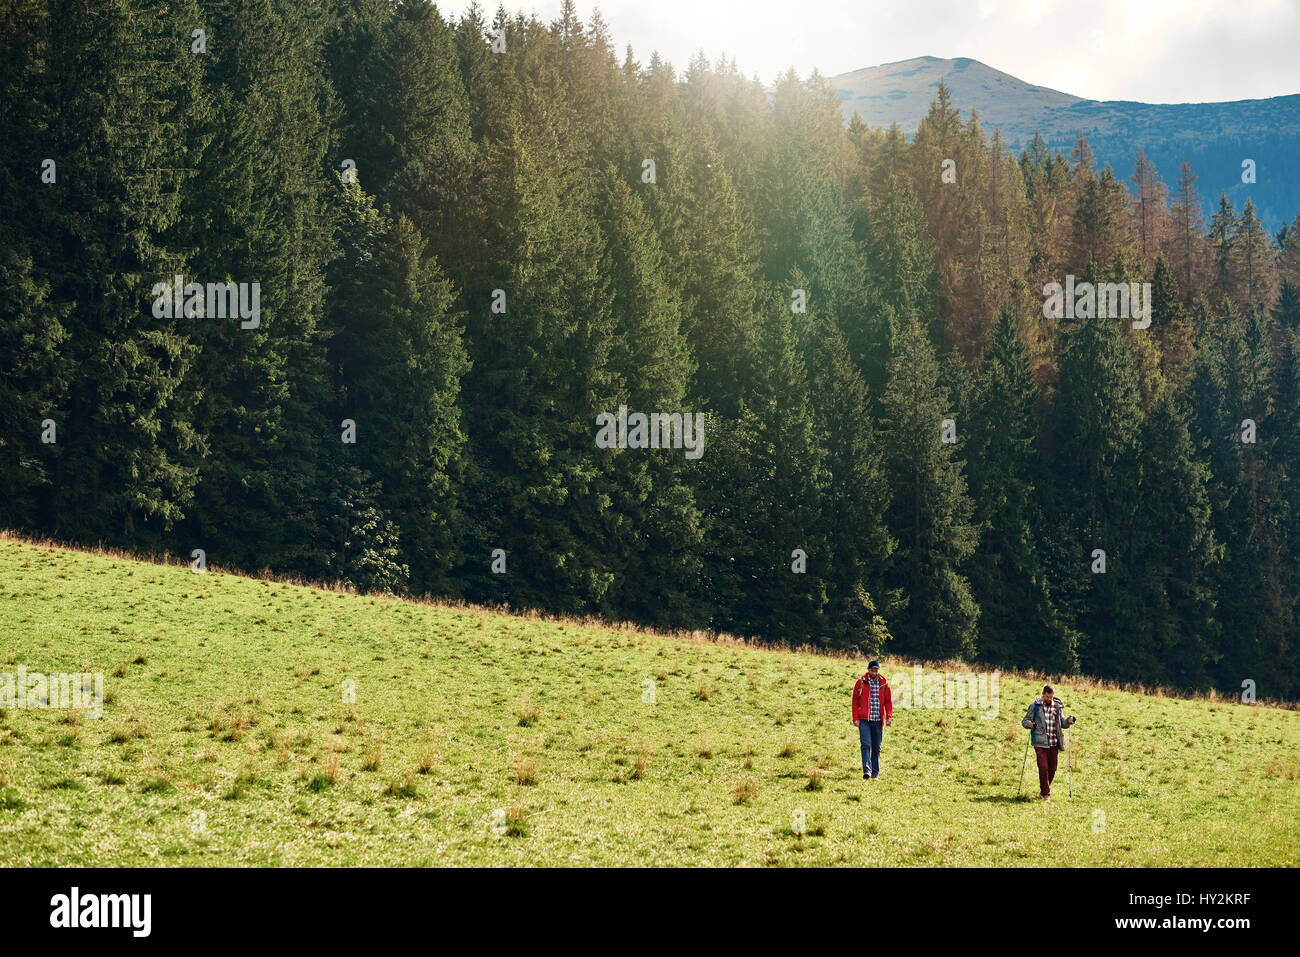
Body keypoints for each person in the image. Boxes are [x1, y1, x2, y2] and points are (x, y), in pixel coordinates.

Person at [1021, 684, 1076, 801]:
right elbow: (1025, 721)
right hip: (1040, 742)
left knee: (1053, 768)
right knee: (1043, 767)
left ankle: (1043, 790)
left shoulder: (1057, 707)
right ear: (1042, 695)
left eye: (1051, 697)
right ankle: (1046, 794)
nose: (1049, 699)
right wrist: (1028, 724)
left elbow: (1063, 723)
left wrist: (1069, 721)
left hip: (1054, 743)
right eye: (1047, 697)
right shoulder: (1035, 706)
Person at [851, 660, 892, 780]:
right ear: (868, 670)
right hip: (864, 719)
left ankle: (875, 774)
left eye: (876, 670)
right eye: (872, 670)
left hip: (878, 720)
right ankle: (867, 771)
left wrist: (889, 716)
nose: (874, 672)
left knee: (876, 747)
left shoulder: (884, 684)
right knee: (865, 744)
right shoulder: (861, 683)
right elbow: (854, 701)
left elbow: (888, 702)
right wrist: (855, 718)